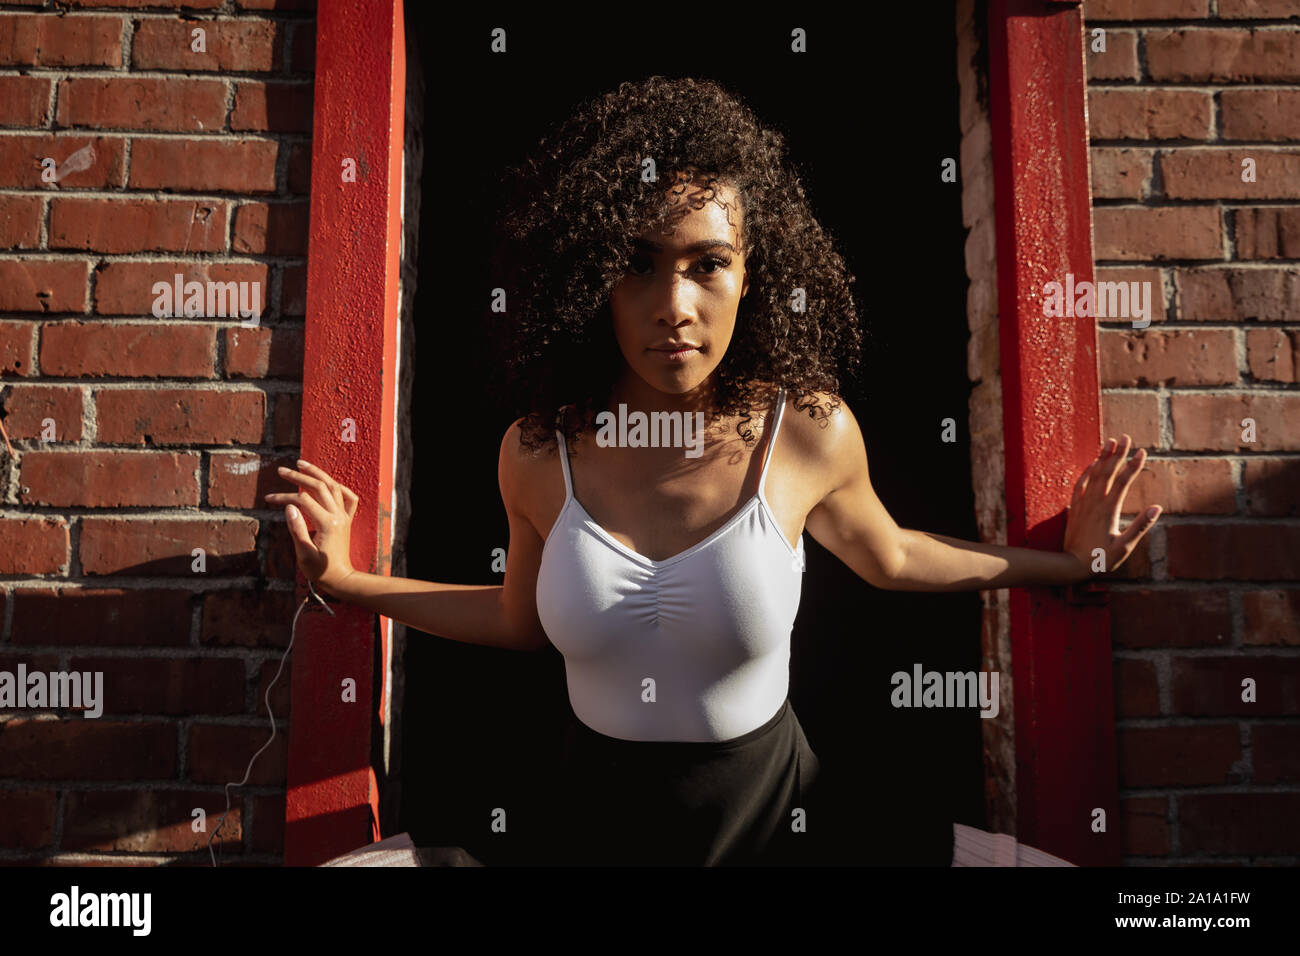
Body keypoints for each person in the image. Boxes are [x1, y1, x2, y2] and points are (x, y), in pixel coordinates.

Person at [265, 76, 1162, 866]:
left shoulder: (805, 433)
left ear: (750, 275)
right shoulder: (537, 452)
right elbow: (516, 618)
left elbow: (893, 555)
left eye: (708, 265)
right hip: (582, 832)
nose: (674, 308)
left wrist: (1070, 564)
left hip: (784, 825)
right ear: (594, 276)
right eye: (638, 265)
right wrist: (348, 580)